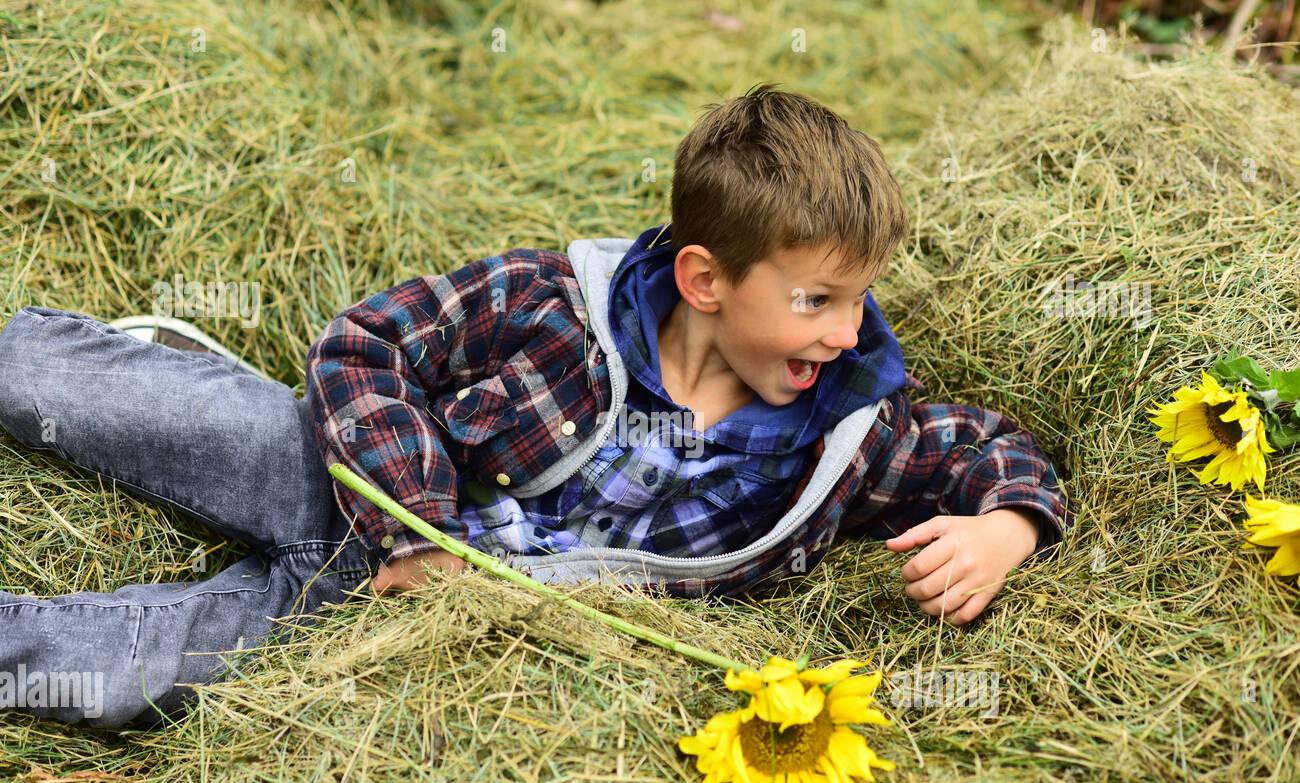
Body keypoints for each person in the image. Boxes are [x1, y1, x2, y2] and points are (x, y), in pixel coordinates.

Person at [0, 83, 1071, 729]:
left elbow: (985, 448)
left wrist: (1005, 528)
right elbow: (366, 345)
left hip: (397, 616)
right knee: (87, 393)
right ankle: (129, 365)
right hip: (359, 480)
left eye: (859, 296)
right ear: (704, 281)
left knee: (114, 673)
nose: (848, 331)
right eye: (815, 300)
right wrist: (409, 518)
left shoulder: (843, 434)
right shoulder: (549, 302)